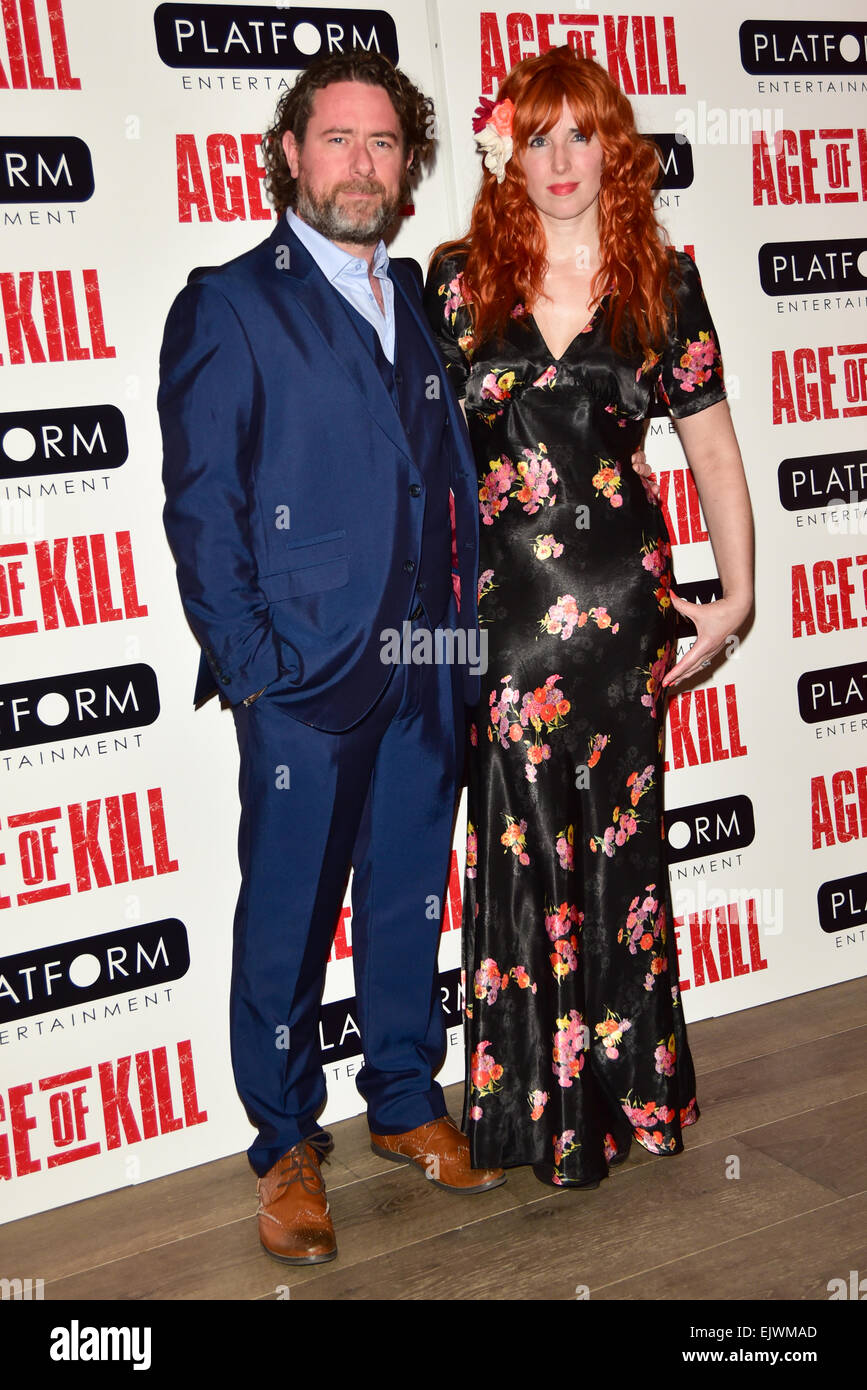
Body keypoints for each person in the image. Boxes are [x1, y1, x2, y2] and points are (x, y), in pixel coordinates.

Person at [157, 50, 508, 1268]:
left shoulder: (415, 293)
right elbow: (203, 508)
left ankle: (404, 1098)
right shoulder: (229, 301)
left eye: (383, 143)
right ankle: (286, 1143)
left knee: (413, 889)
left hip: (426, 659)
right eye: (338, 140)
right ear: (292, 154)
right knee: (290, 918)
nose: (362, 165)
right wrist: (255, 668)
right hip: (303, 677)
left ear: (407, 165)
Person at [423, 47, 754, 1187]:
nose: (560, 159)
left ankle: (632, 1095)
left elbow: (713, 450)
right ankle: (527, 1117)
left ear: (615, 148)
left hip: (624, 631)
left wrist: (738, 595)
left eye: (582, 134)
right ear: (507, 152)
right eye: (538, 135)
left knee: (620, 863)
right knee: (519, 866)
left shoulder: (664, 283)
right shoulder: (458, 281)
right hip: (506, 634)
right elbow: (422, 468)